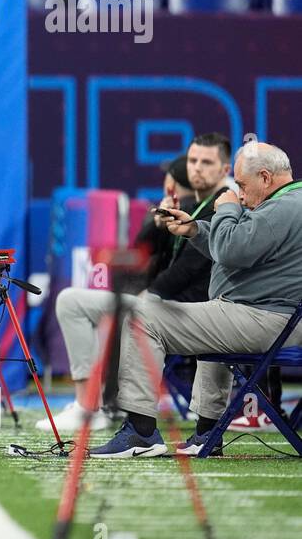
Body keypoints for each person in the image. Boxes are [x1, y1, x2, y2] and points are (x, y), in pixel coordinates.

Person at [91, 142, 302, 457]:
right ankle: (207, 433)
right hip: (268, 317)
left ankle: (140, 431)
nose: (240, 194)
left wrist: (227, 206)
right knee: (213, 313)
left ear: (265, 177)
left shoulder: (285, 207)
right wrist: (195, 231)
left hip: (269, 320)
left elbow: (232, 250)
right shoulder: (285, 203)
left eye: (242, 186)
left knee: (142, 317)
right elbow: (237, 249)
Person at [39, 134, 232, 433]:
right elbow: (141, 254)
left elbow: (190, 270)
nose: (196, 168)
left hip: (188, 311)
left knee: (85, 305)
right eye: (193, 160)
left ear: (225, 169)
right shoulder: (194, 204)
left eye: (206, 162)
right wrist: (155, 227)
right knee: (71, 300)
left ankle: (95, 408)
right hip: (166, 304)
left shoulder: (224, 207)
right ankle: (91, 404)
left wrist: (149, 295)